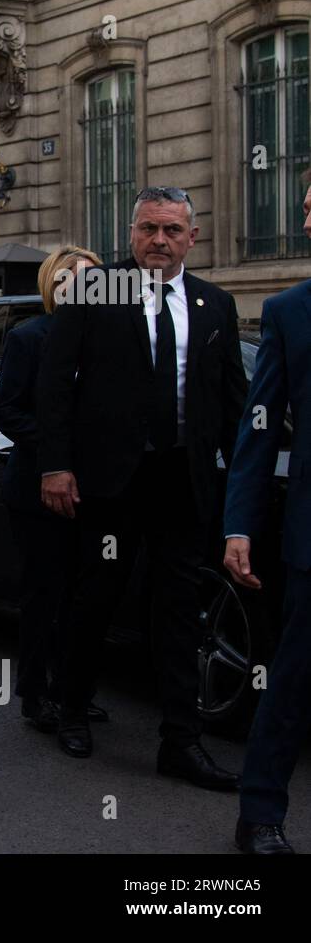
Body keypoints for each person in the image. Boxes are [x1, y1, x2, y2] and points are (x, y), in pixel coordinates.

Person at [37, 187, 248, 787]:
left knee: (181, 611)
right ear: (131, 233)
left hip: (182, 481)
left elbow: (232, 401)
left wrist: (238, 484)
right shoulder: (96, 290)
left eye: (172, 230)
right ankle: (71, 708)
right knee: (97, 595)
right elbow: (56, 387)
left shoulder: (214, 305)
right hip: (110, 481)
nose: (160, 240)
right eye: (149, 229)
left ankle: (180, 741)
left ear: (192, 237)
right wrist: (57, 464)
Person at [223, 172, 311, 855]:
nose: (306, 224)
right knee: (291, 681)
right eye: (303, 210)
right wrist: (240, 525)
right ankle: (260, 815)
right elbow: (257, 431)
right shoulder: (288, 312)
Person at [0, 246, 103, 733]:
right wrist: (60, 448)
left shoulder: (109, 341)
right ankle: (36, 694)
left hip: (97, 489)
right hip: (37, 488)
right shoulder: (29, 338)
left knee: (85, 596)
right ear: (54, 287)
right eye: (76, 280)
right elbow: (8, 411)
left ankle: (73, 690)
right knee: (45, 595)